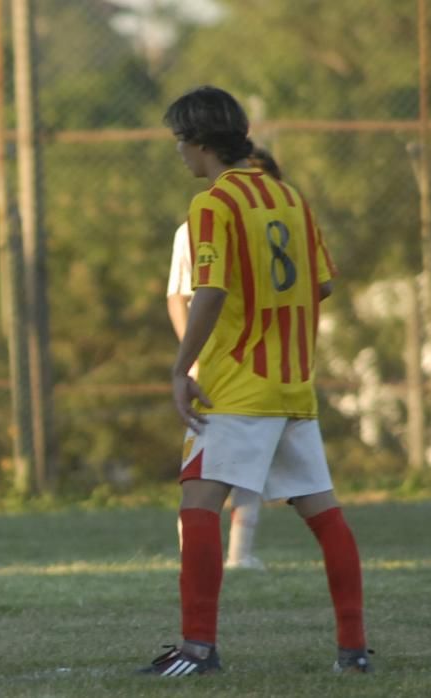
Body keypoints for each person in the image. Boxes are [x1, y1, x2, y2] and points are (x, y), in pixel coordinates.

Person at [145, 86, 370, 676]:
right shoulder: (289, 197)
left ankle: (197, 650)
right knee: (325, 514)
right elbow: (320, 285)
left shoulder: (213, 205)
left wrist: (180, 367)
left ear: (199, 143)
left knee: (197, 503)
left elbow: (210, 291)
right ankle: (353, 650)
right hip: (293, 383)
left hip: (237, 385)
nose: (179, 154)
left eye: (179, 142)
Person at [165, 148, 288, 572]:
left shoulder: (276, 225)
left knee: (245, 475)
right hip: (222, 368)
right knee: (202, 478)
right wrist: (191, 359)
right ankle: (199, 563)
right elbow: (184, 294)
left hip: (264, 369)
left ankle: (239, 554)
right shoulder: (196, 226)